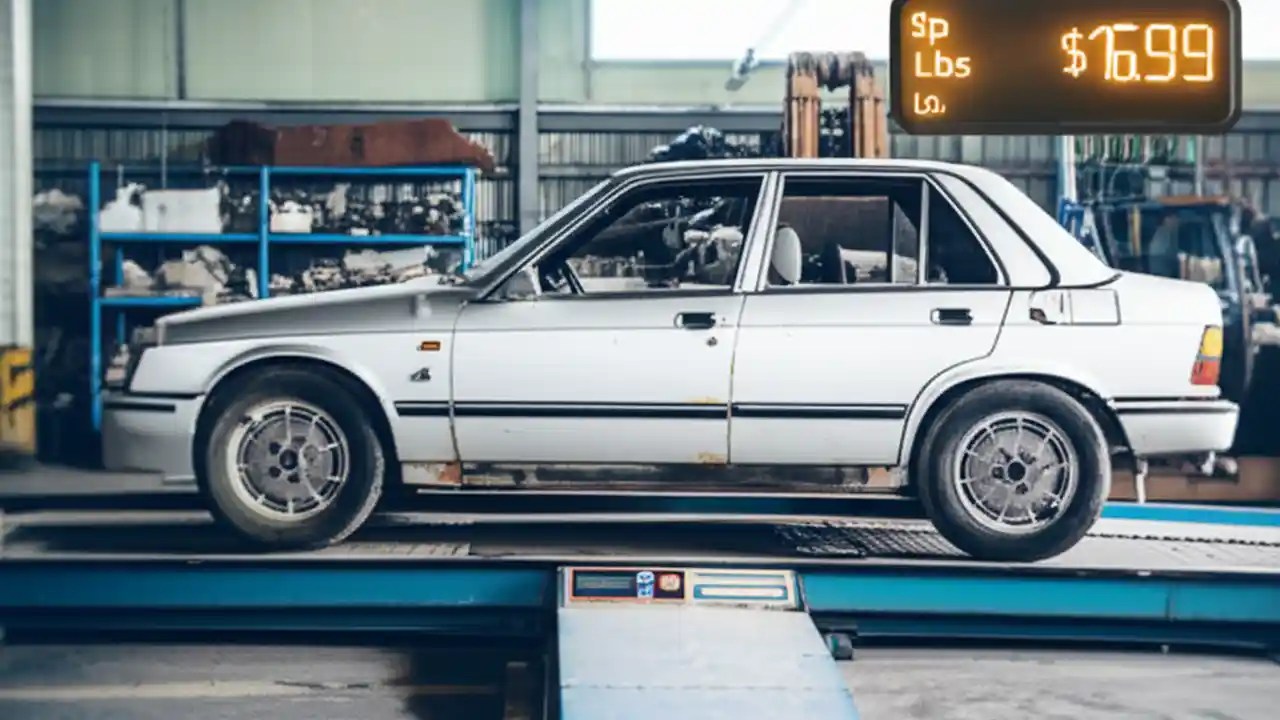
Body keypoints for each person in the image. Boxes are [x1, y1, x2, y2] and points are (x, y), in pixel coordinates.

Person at [1146, 211, 1181, 279]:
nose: (1178, 221)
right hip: (1162, 276)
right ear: (1167, 220)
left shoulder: (1172, 233)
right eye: (1174, 218)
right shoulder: (1161, 236)